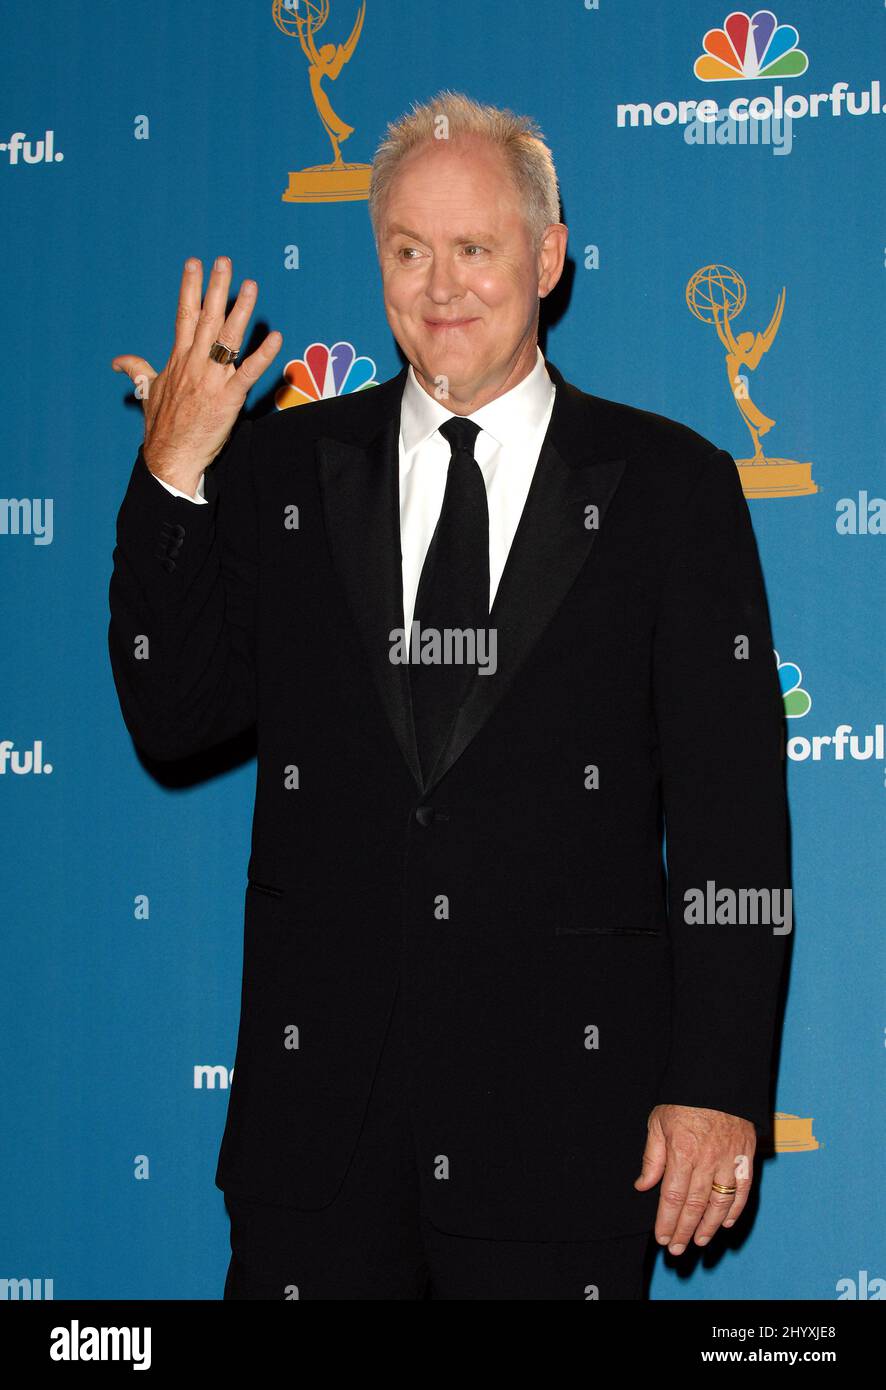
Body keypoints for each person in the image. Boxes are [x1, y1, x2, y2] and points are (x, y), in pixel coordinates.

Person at [108, 91, 790, 1300]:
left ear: (545, 255)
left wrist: (716, 1085)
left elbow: (733, 821)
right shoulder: (278, 472)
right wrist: (172, 471)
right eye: (407, 250)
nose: (440, 286)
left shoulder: (671, 489)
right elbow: (175, 719)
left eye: (473, 249)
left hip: (567, 1143)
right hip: (316, 1149)